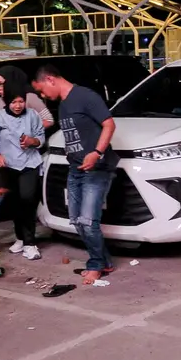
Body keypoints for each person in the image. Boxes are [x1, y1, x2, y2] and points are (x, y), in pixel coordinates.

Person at [33, 64, 117, 285]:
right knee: (77, 221)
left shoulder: (85, 96)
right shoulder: (63, 105)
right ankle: (104, 261)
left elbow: (109, 124)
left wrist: (96, 153)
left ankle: (96, 265)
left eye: (42, 90)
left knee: (88, 221)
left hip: (96, 167)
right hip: (75, 168)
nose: (43, 96)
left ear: (50, 79)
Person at [0, 81, 46, 260]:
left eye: (21, 101)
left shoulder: (32, 115)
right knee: (14, 203)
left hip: (29, 163)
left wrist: (33, 142)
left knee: (28, 200)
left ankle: (30, 243)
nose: (18, 106)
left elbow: (41, 137)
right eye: (14, 102)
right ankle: (21, 238)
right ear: (7, 102)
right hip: (7, 165)